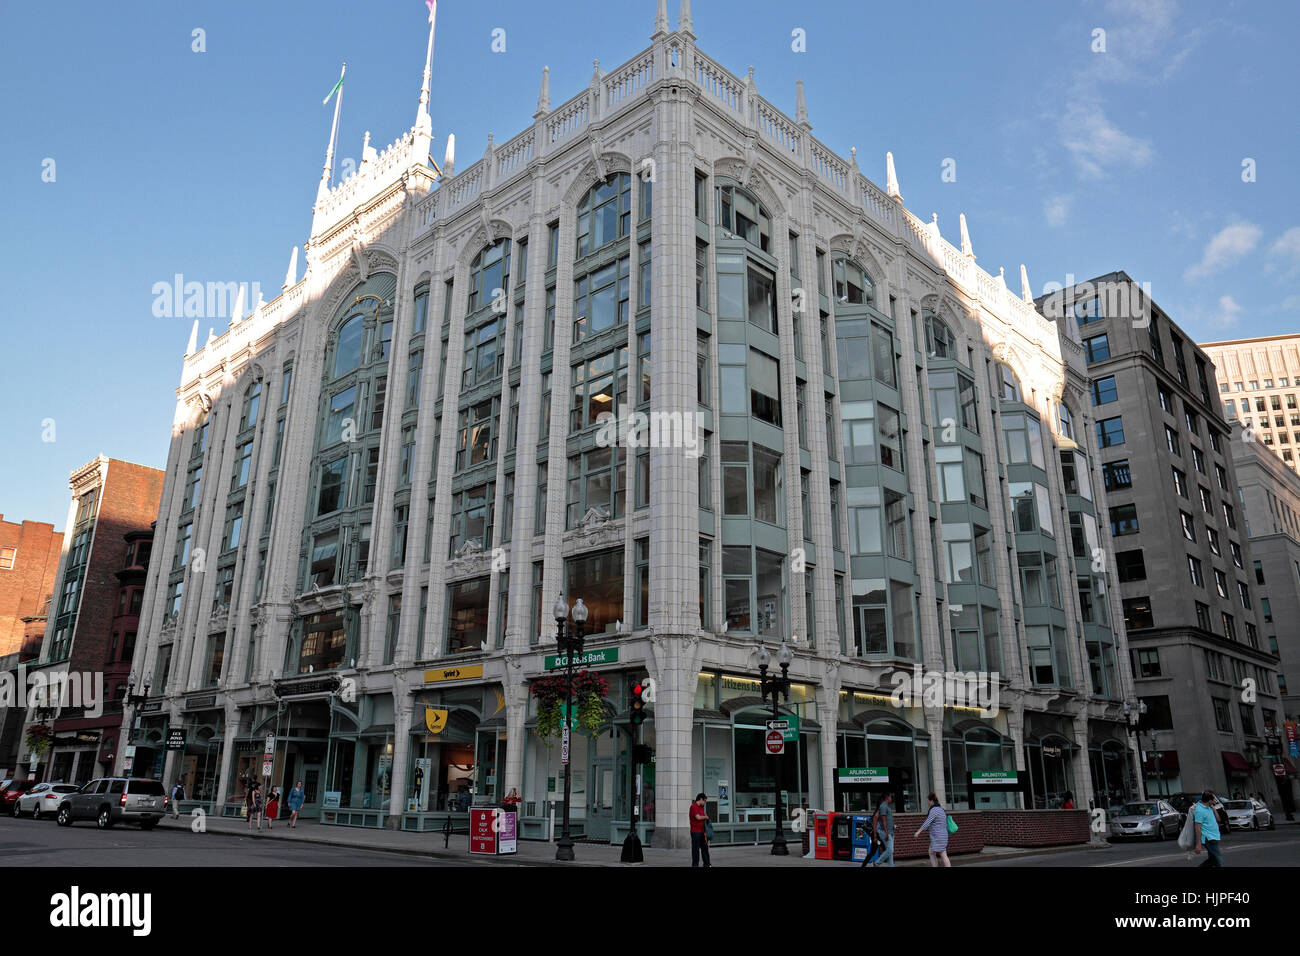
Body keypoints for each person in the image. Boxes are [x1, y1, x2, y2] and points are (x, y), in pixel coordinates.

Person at [914, 792, 951, 867]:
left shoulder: (934, 810)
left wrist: (918, 832)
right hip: (943, 835)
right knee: (934, 852)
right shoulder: (941, 809)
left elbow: (927, 822)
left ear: (932, 801)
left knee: (941, 854)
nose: (927, 803)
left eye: (928, 801)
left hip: (938, 837)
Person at [1192, 790, 1223, 867]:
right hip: (1208, 838)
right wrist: (1198, 844)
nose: (1214, 801)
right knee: (1218, 859)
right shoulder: (1199, 810)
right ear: (1209, 800)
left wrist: (1213, 808)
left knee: (1212, 860)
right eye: (1213, 800)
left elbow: (1218, 819)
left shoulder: (1208, 807)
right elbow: (1197, 827)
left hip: (1214, 836)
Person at [689, 792, 712, 867]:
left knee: (705, 849)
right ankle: (695, 865)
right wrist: (705, 817)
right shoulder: (693, 806)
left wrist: (705, 816)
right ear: (701, 799)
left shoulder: (701, 808)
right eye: (704, 801)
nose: (705, 803)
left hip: (702, 832)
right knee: (695, 850)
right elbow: (698, 817)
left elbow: (705, 815)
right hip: (695, 832)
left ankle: (707, 864)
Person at [873, 793, 895, 867]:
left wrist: (893, 826)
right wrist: (886, 832)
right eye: (891, 796)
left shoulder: (886, 807)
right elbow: (883, 821)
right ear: (887, 797)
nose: (891, 798)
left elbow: (888, 820)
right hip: (885, 832)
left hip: (890, 831)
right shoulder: (883, 806)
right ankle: (877, 863)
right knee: (890, 850)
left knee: (890, 852)